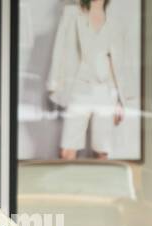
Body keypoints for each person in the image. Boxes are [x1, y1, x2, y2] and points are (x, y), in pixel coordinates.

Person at [48, 0, 126, 160]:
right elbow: (60, 48)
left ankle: (99, 185)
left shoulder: (114, 19)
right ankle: (66, 185)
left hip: (105, 90)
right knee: (67, 151)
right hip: (78, 88)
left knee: (102, 151)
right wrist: (54, 84)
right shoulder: (71, 12)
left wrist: (120, 99)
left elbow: (117, 62)